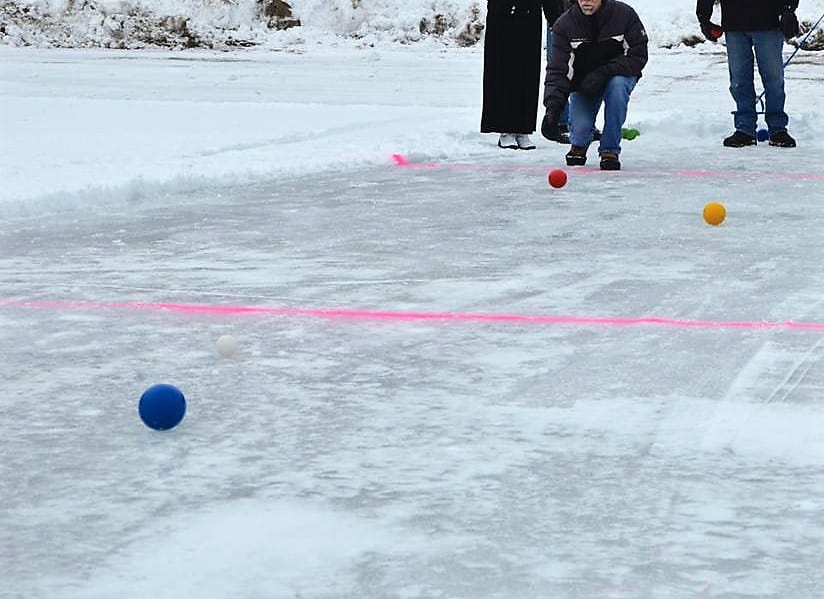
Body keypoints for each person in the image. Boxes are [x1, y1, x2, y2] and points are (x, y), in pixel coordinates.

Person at [540, 0, 648, 170]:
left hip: (618, 75)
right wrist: (553, 107)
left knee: (617, 88)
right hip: (584, 83)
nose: (586, 1)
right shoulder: (565, 25)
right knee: (580, 130)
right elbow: (558, 70)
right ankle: (580, 142)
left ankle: (610, 149)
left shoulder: (624, 15)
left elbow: (637, 55)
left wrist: (603, 72)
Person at [696, 0, 799, 148]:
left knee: (774, 79)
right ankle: (745, 129)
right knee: (739, 81)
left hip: (769, 22)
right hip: (734, 24)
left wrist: (788, 9)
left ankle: (778, 129)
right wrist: (704, 18)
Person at [481, 0, 563, 150]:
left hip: (530, 16)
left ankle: (523, 129)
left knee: (528, 73)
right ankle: (504, 129)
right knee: (503, 72)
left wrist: (556, 19)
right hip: (503, 17)